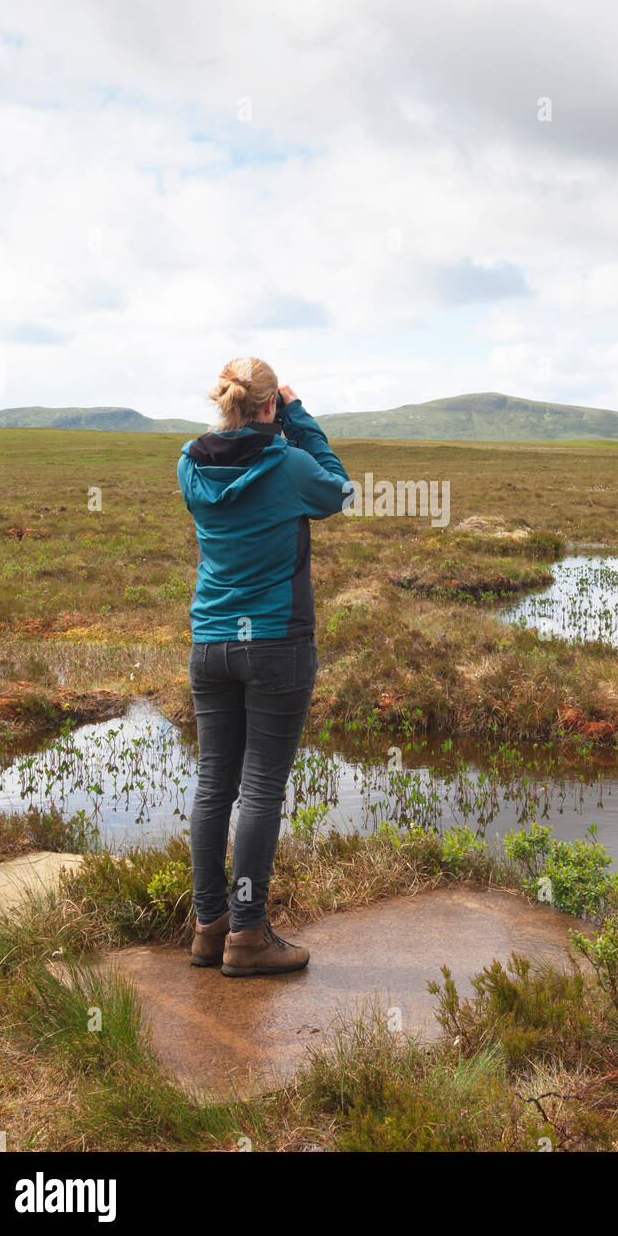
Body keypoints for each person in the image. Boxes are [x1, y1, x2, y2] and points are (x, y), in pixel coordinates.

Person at [176, 356, 350, 975]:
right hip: (276, 642)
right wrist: (301, 420)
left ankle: (209, 927)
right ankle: (248, 938)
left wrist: (277, 419)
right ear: (270, 405)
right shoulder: (289, 463)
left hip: (210, 644)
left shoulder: (189, 463)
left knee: (214, 785)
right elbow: (339, 489)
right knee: (260, 791)